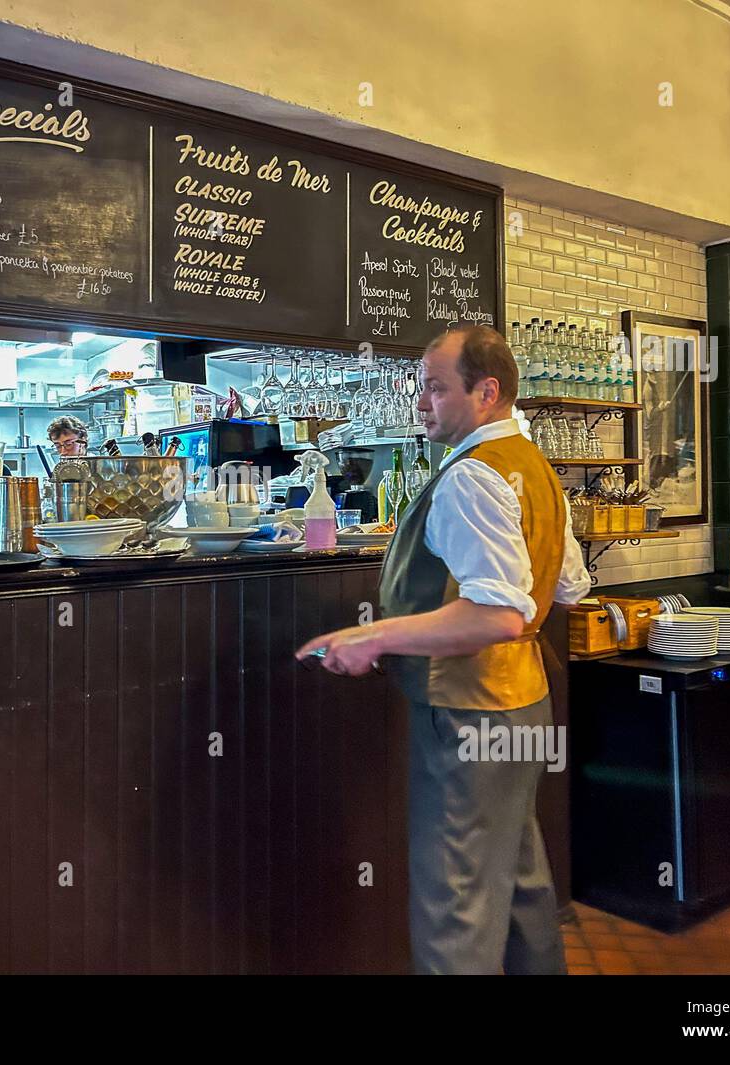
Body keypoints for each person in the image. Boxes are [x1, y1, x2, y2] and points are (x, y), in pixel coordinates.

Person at [297, 325, 591, 975]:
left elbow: (498, 612)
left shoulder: (471, 477)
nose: (420, 402)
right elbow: (568, 587)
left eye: (435, 386)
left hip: (469, 712)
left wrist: (372, 636)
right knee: (520, 883)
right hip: (527, 704)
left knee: (454, 903)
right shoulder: (535, 468)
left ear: (486, 392)